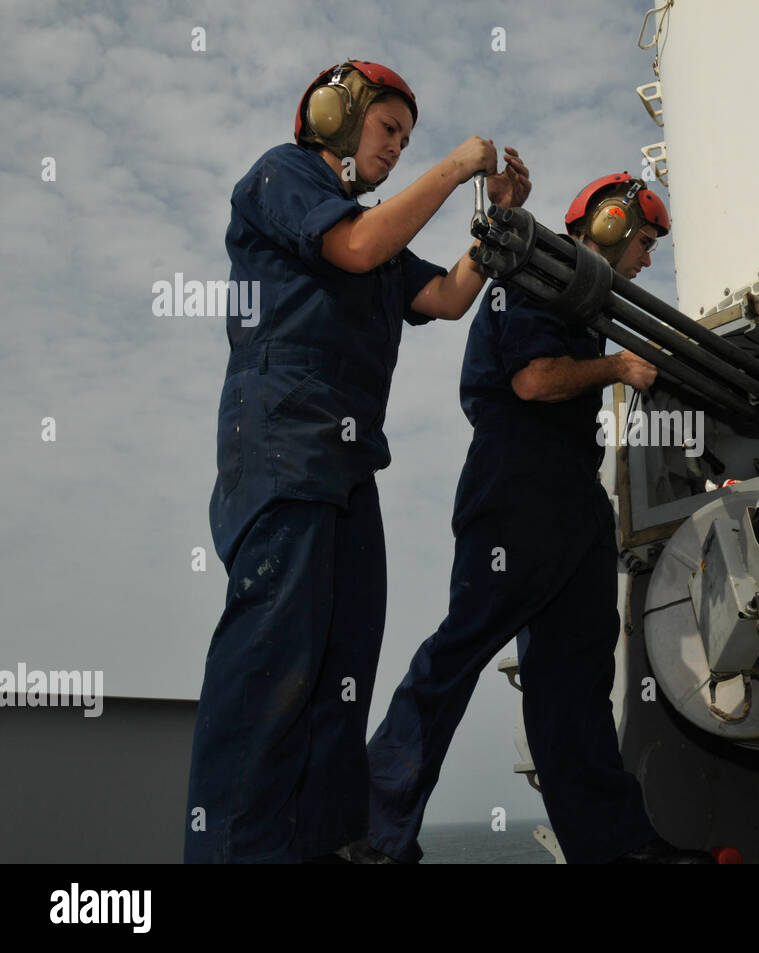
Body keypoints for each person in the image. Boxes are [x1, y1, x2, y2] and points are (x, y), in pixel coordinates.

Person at [185, 59, 531, 863]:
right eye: (388, 129)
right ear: (335, 115)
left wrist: (497, 229)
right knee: (273, 662)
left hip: (345, 463)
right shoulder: (285, 176)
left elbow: (446, 295)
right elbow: (356, 247)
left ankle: (325, 846)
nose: (399, 149)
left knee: (343, 670)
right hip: (282, 443)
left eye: (410, 141)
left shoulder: (372, 226)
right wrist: (453, 170)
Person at [361, 174, 715, 863]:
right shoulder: (534, 275)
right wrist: (617, 367)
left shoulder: (579, 293)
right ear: (609, 226)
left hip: (573, 494)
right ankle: (371, 827)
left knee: (574, 684)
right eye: (642, 243)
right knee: (460, 650)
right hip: (516, 486)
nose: (646, 260)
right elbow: (533, 380)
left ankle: (613, 847)